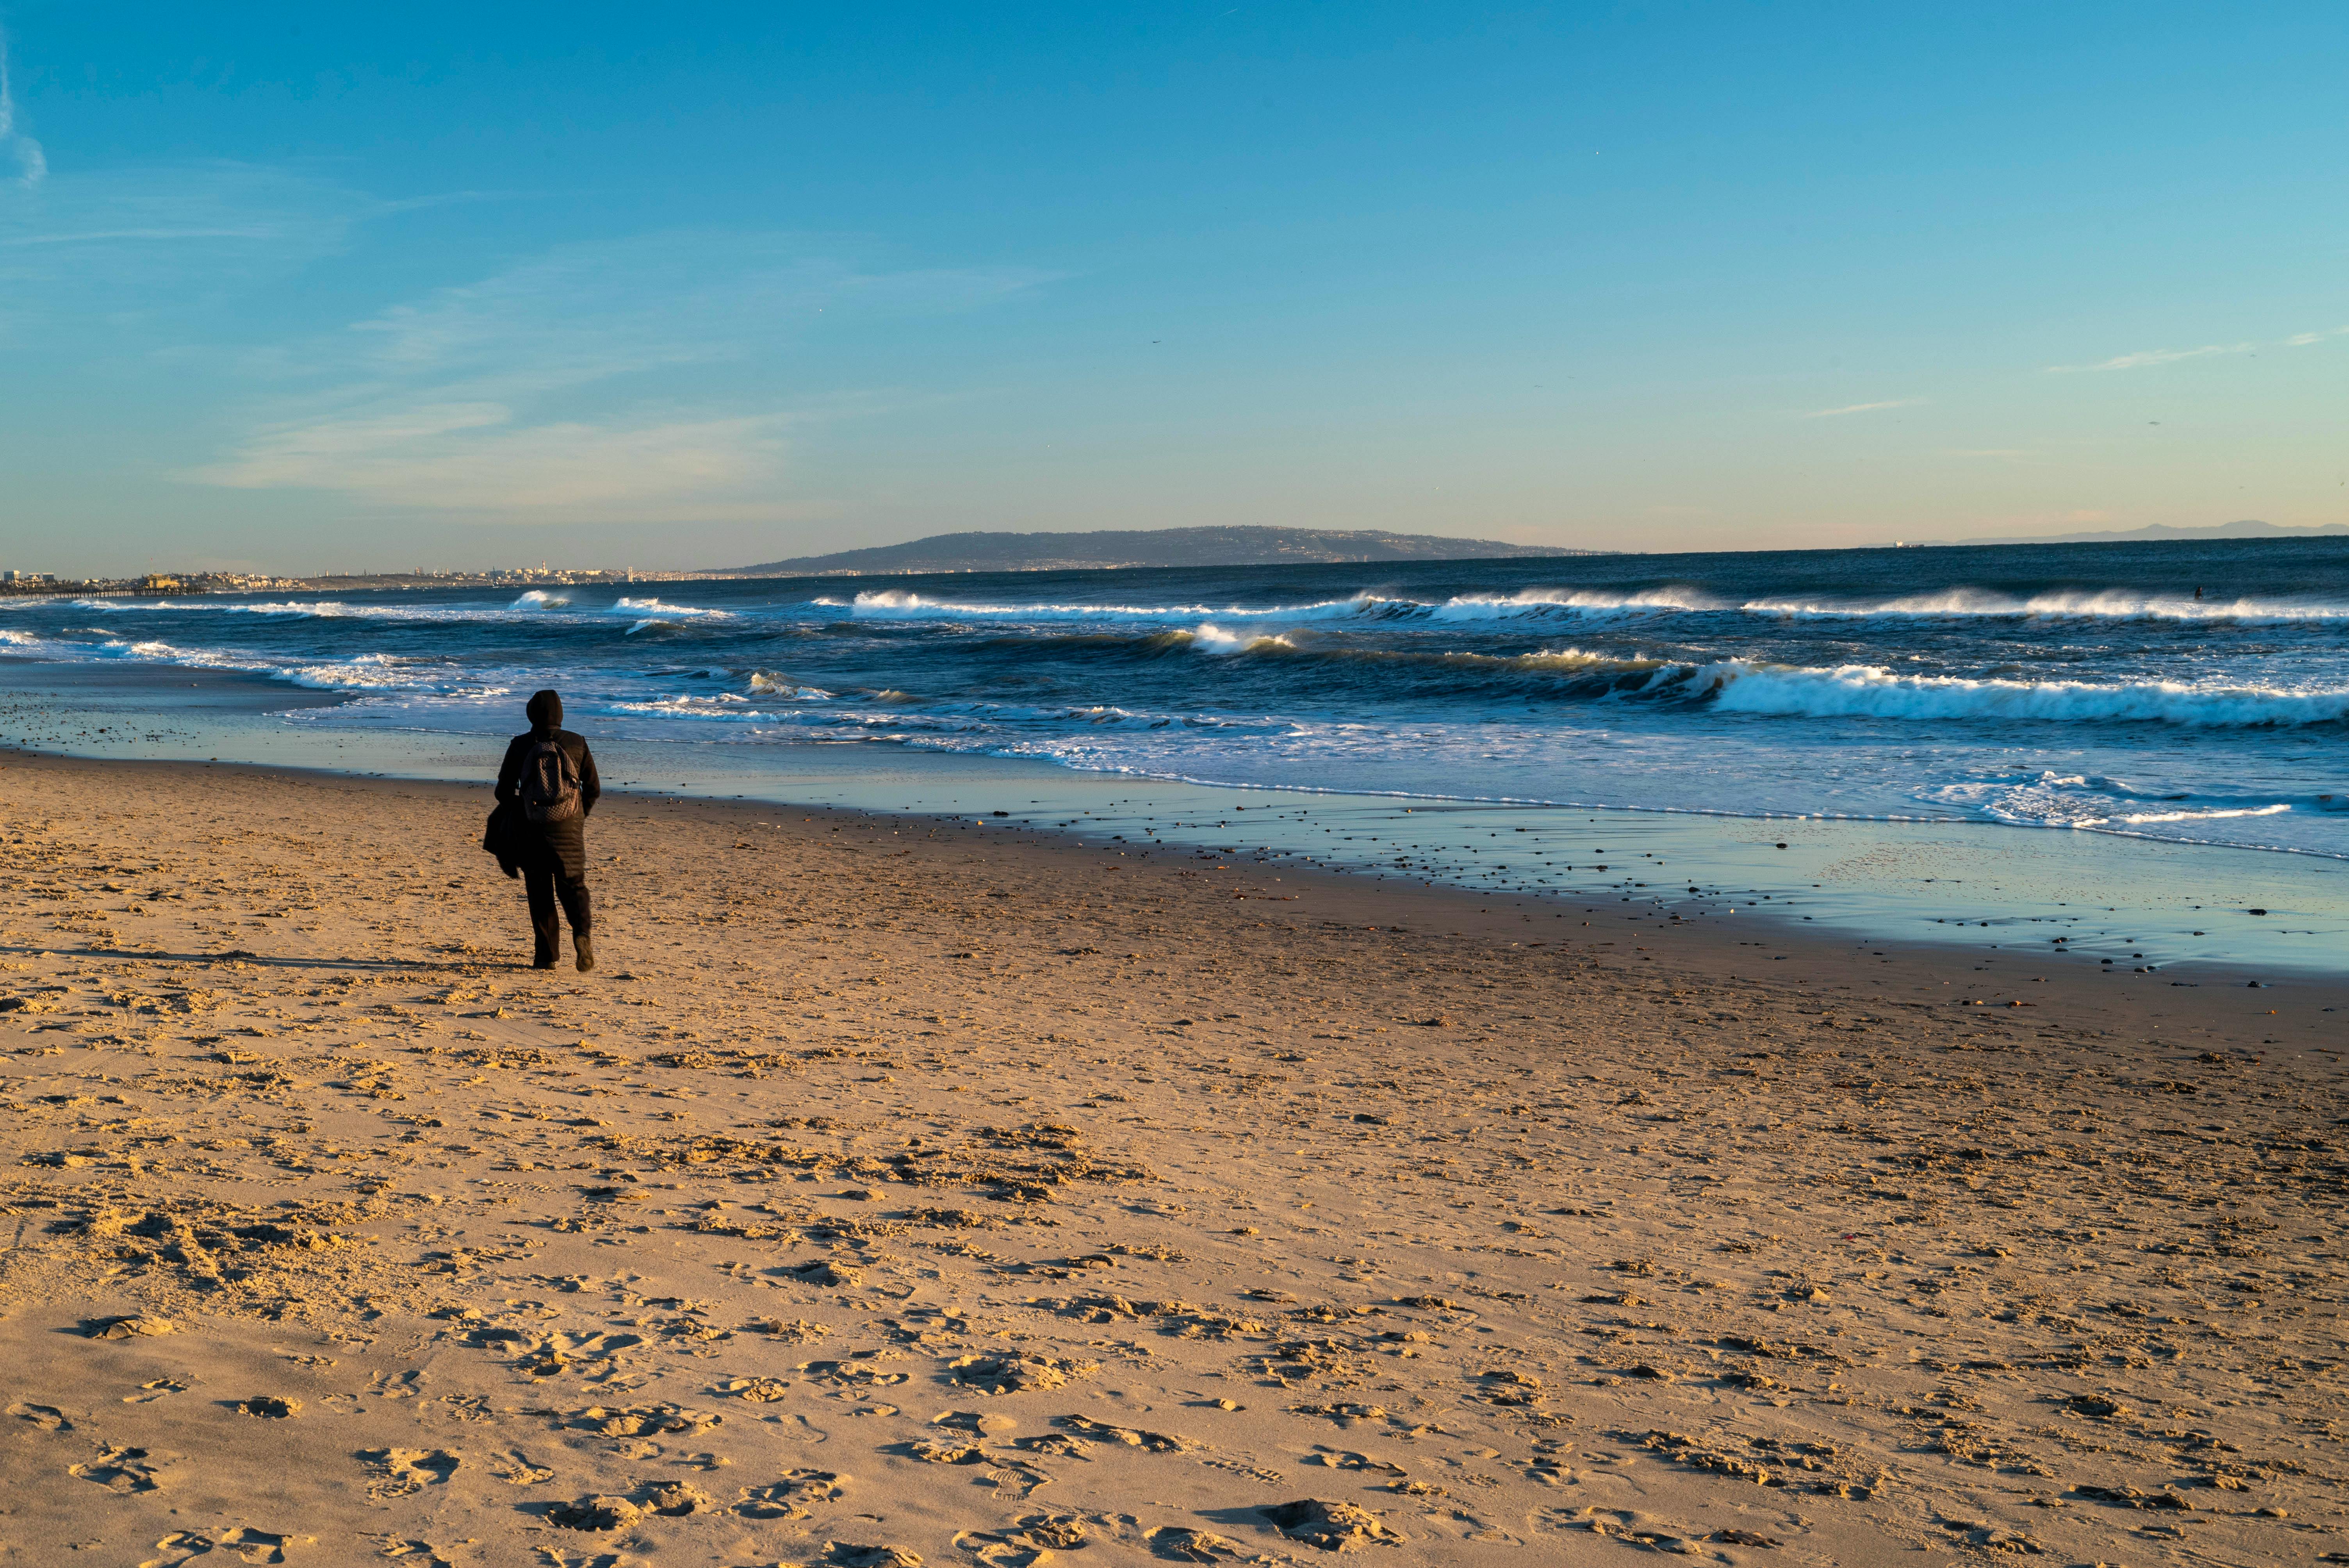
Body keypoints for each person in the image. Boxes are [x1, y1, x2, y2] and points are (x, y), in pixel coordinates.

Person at [495, 689, 601, 971]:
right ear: (561, 714)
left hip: (533, 829)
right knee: (574, 887)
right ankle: (581, 935)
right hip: (569, 828)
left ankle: (546, 957)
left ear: (531, 714)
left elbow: (503, 792)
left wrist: (525, 810)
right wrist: (578, 815)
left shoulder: (520, 745)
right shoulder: (577, 742)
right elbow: (593, 788)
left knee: (540, 892)